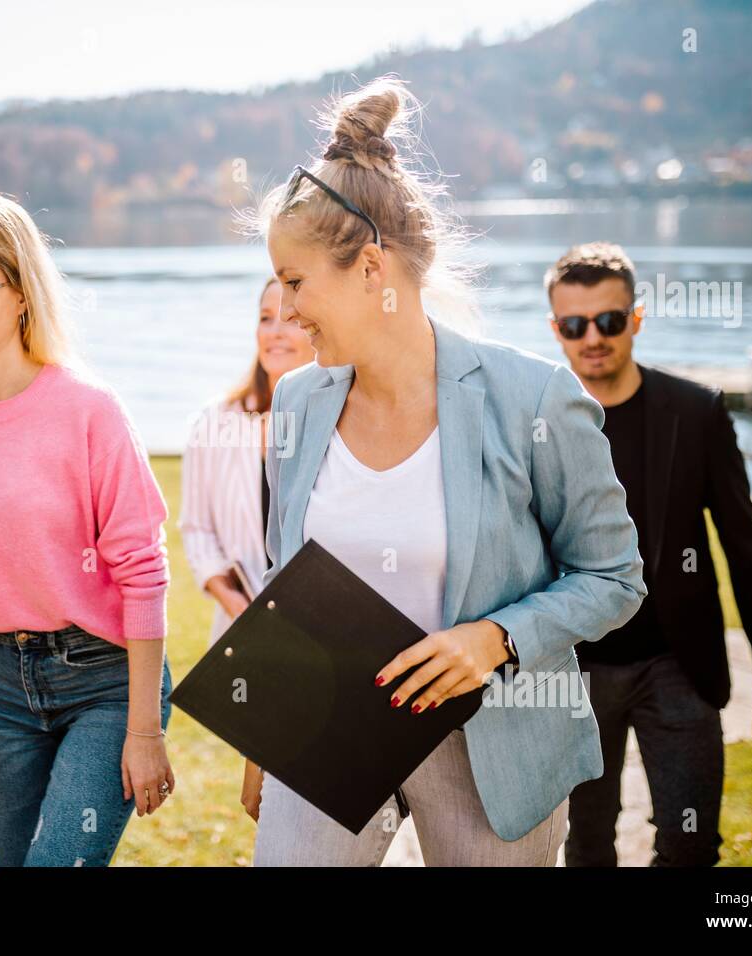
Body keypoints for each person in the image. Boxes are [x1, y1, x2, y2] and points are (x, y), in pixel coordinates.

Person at [240, 75, 647, 866]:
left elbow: (614, 576)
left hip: (492, 752)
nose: (284, 313)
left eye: (295, 284)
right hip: (326, 736)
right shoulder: (295, 403)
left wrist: (495, 638)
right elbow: (279, 576)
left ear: (369, 268)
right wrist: (268, 732)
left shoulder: (533, 396)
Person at [0, 193, 174, 867]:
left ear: (21, 294)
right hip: (2, 690)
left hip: (104, 683)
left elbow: (143, 570)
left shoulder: (89, 410)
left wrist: (144, 731)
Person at [544, 241, 752, 867]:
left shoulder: (696, 412)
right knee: (584, 846)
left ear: (636, 317)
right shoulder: (536, 420)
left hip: (678, 665)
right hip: (573, 674)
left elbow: (744, 546)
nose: (593, 338)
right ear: (556, 329)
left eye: (609, 320)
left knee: (689, 847)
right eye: (576, 325)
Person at [179, 275, 315, 822]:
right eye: (264, 316)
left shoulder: (342, 418)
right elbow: (198, 532)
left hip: (329, 636)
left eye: (288, 316)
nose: (274, 331)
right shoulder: (218, 422)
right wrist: (245, 614)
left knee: (324, 789)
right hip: (249, 636)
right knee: (265, 802)